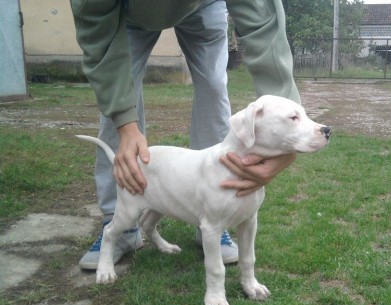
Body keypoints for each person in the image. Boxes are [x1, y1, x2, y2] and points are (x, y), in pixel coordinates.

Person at [71, 0, 300, 269]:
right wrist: (125, 123)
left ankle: (214, 218)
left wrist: (288, 142)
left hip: (205, 5)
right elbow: (97, 30)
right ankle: (119, 224)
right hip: (128, 12)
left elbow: (264, 22)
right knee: (120, 100)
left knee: (215, 88)